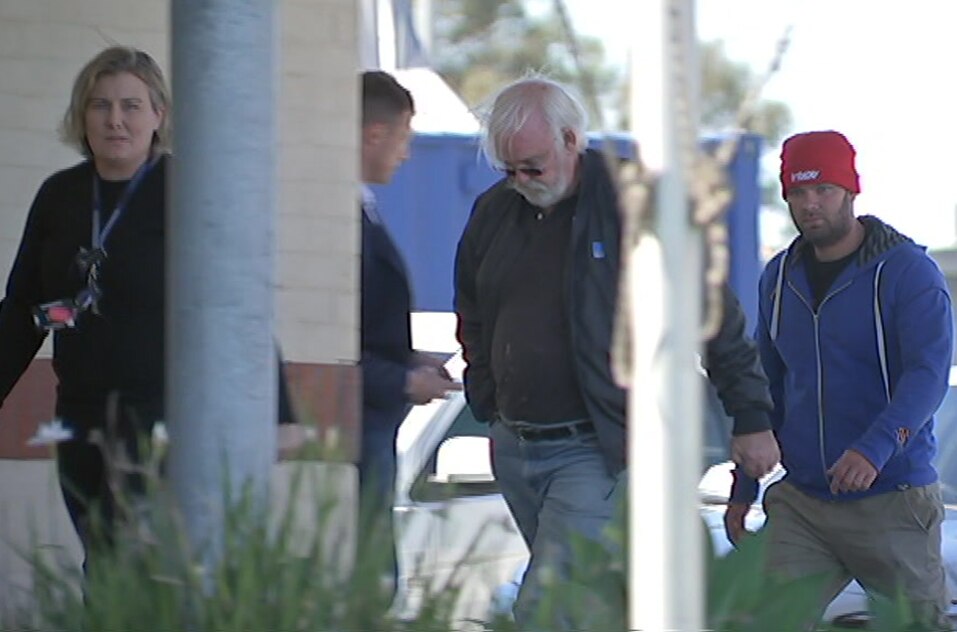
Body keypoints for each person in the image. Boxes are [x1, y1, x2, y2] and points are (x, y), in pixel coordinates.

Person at [453, 76, 780, 627]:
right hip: (516, 443)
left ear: (571, 139)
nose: (522, 181)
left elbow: (710, 312)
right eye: (509, 171)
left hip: (597, 445)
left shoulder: (637, 204)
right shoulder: (495, 211)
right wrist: (486, 396)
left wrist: (750, 416)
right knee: (591, 603)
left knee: (547, 606)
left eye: (533, 166)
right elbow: (473, 313)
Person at [0, 46, 295, 567]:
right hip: (82, 417)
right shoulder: (60, 196)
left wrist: (279, 411)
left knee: (141, 563)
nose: (115, 120)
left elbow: (236, 305)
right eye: (100, 105)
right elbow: (24, 308)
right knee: (103, 565)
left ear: (158, 114)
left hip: (164, 420)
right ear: (81, 116)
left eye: (131, 106)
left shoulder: (188, 192)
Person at [726, 130, 953, 630]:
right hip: (804, 502)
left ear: (851, 191)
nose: (811, 204)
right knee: (755, 622)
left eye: (823, 190)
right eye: (798, 192)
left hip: (892, 499)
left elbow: (929, 375)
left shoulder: (908, 272)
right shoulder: (779, 277)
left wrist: (874, 449)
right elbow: (766, 384)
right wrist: (743, 484)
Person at [357, 70, 460, 591]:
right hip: (356, 429)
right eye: (404, 137)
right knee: (370, 583)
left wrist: (411, 358)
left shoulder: (362, 209)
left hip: (372, 429)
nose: (406, 153)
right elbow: (338, 348)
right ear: (375, 134)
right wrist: (401, 379)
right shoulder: (340, 219)